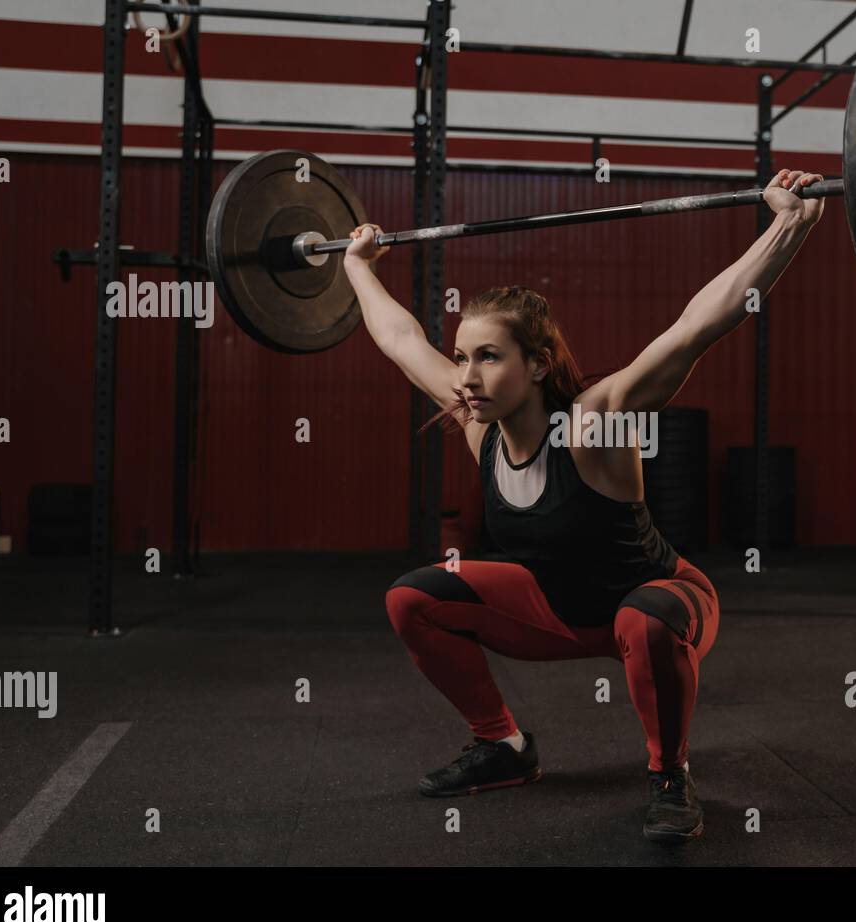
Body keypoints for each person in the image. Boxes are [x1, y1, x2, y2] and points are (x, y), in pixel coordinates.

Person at [348, 169, 823, 844]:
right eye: (461, 357)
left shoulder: (595, 421)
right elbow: (398, 339)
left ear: (538, 365)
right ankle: (502, 747)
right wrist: (357, 266)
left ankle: (667, 774)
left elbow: (696, 327)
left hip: (663, 604)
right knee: (412, 598)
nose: (467, 375)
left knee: (646, 617)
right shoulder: (478, 423)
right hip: (561, 611)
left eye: (488, 356)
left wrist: (789, 223)